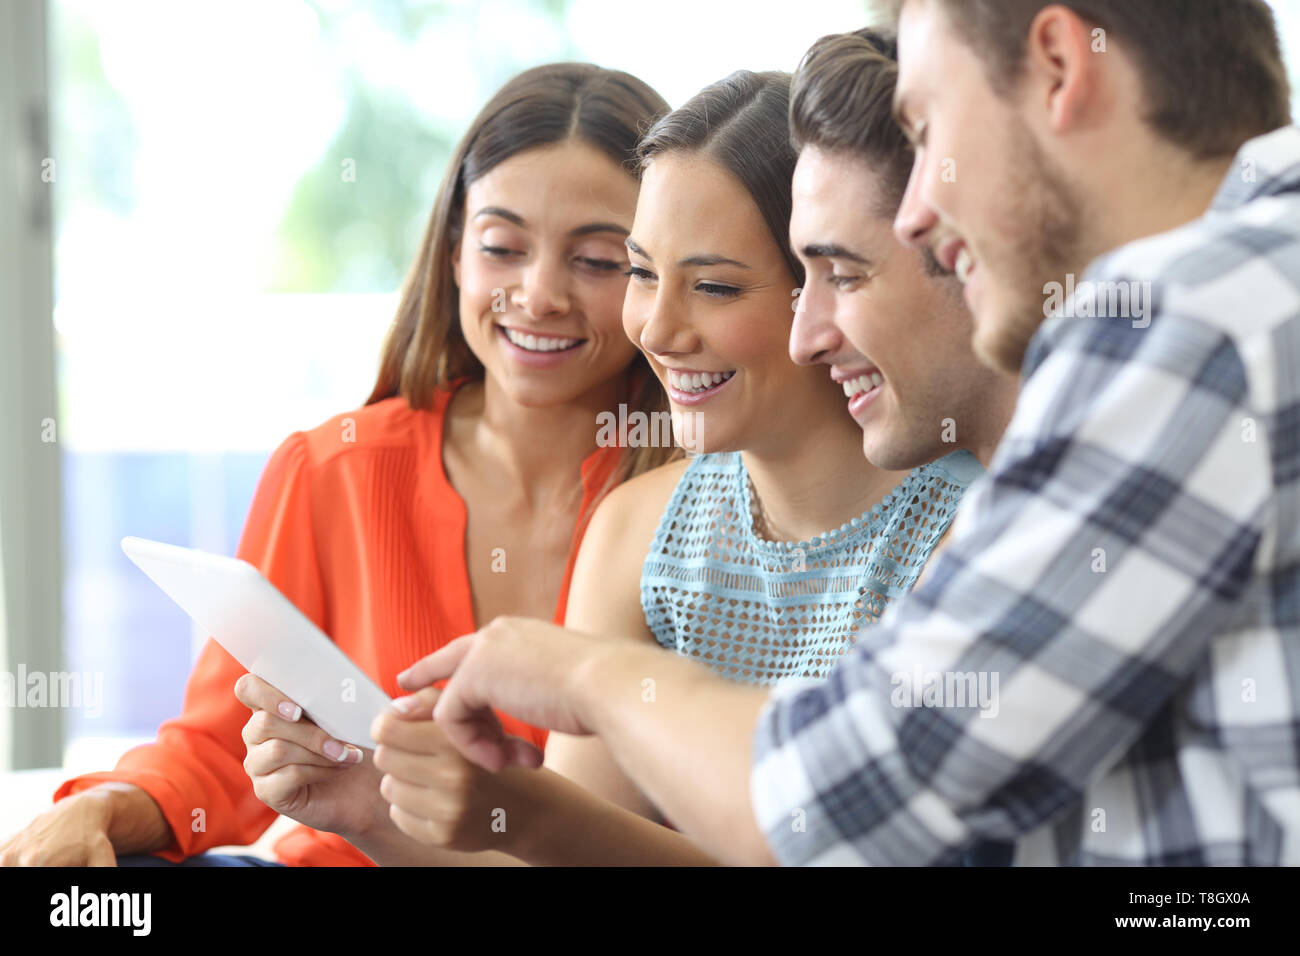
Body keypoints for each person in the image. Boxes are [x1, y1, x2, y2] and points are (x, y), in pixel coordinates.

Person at [394, 0, 1300, 868]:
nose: (915, 216)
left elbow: (854, 795)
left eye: (929, 126)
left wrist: (586, 677)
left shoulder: (1193, 324)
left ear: (1062, 69)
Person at [0, 62, 674, 868]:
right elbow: (220, 755)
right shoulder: (335, 470)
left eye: (596, 261)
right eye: (502, 246)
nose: (537, 295)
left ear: (654, 279)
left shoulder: (697, 507)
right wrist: (104, 811)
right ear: (455, 251)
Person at [371, 46, 1015, 864]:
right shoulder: (641, 530)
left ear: (826, 285)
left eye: (713, 287)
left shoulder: (973, 530)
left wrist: (540, 792)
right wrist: (376, 811)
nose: (657, 330)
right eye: (640, 272)